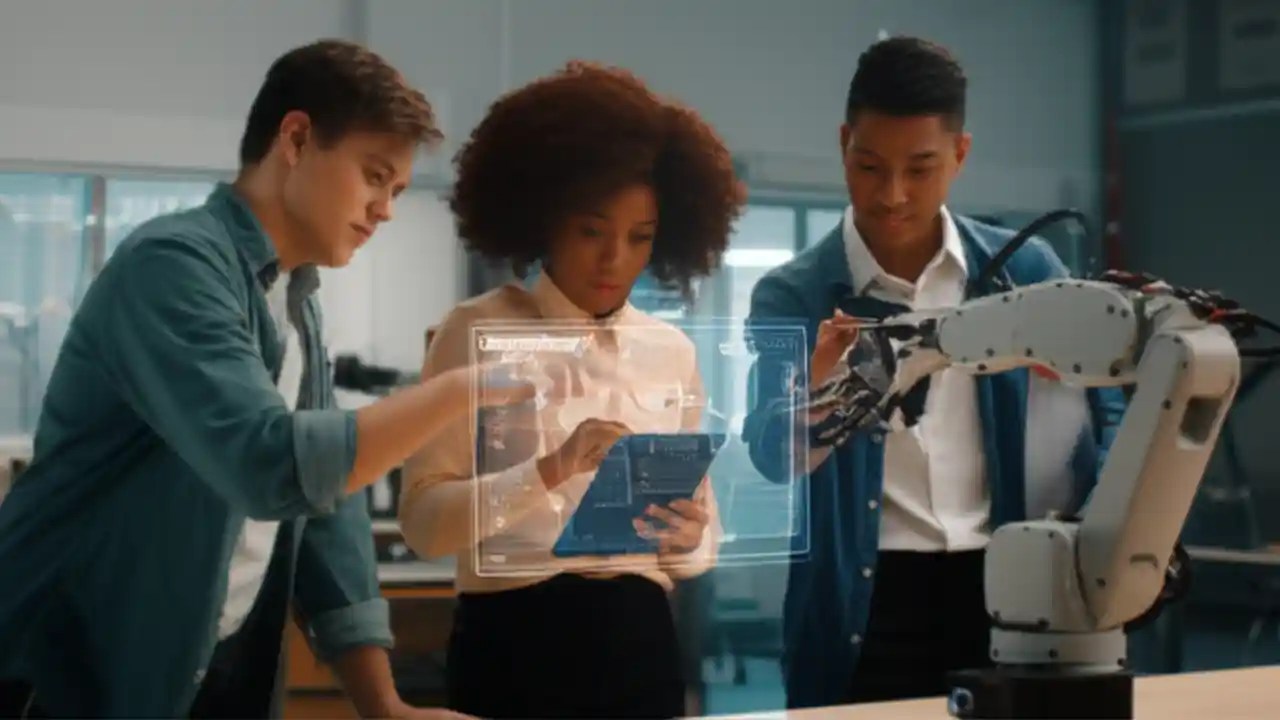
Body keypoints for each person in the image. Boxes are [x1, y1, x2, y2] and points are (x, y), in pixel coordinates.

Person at [0, 39, 542, 719]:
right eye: (374, 176)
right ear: (296, 138)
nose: (386, 209)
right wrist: (462, 389)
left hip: (219, 665)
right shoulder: (173, 265)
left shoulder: (297, 302)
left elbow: (324, 511)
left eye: (398, 190)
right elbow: (270, 462)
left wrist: (383, 704)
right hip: (81, 673)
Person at [743, 36, 1127, 709]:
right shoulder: (793, 295)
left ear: (960, 154)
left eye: (920, 168)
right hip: (861, 608)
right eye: (869, 166)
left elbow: (1109, 411)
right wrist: (818, 393)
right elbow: (772, 456)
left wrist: (1100, 532)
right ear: (843, 145)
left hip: (1008, 588)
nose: (892, 195)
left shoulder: (1025, 272)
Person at [398, 61, 748, 719]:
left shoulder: (671, 352)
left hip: (640, 645)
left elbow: (697, 553)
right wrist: (553, 468)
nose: (615, 259)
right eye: (593, 231)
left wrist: (689, 538)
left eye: (639, 238)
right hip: (512, 645)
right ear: (545, 218)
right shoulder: (475, 331)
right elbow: (422, 525)